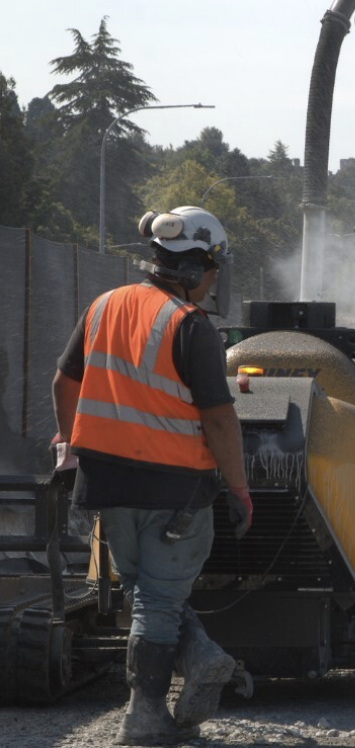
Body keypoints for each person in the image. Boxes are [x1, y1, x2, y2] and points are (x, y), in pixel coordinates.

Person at [51, 206, 252, 745]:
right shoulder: (189, 326)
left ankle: (202, 654)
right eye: (212, 271)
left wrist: (70, 448)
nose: (212, 283)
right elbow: (218, 417)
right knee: (158, 600)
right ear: (194, 268)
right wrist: (237, 486)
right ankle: (143, 717)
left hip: (108, 484)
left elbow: (63, 385)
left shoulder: (104, 305)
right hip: (176, 488)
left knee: (145, 589)